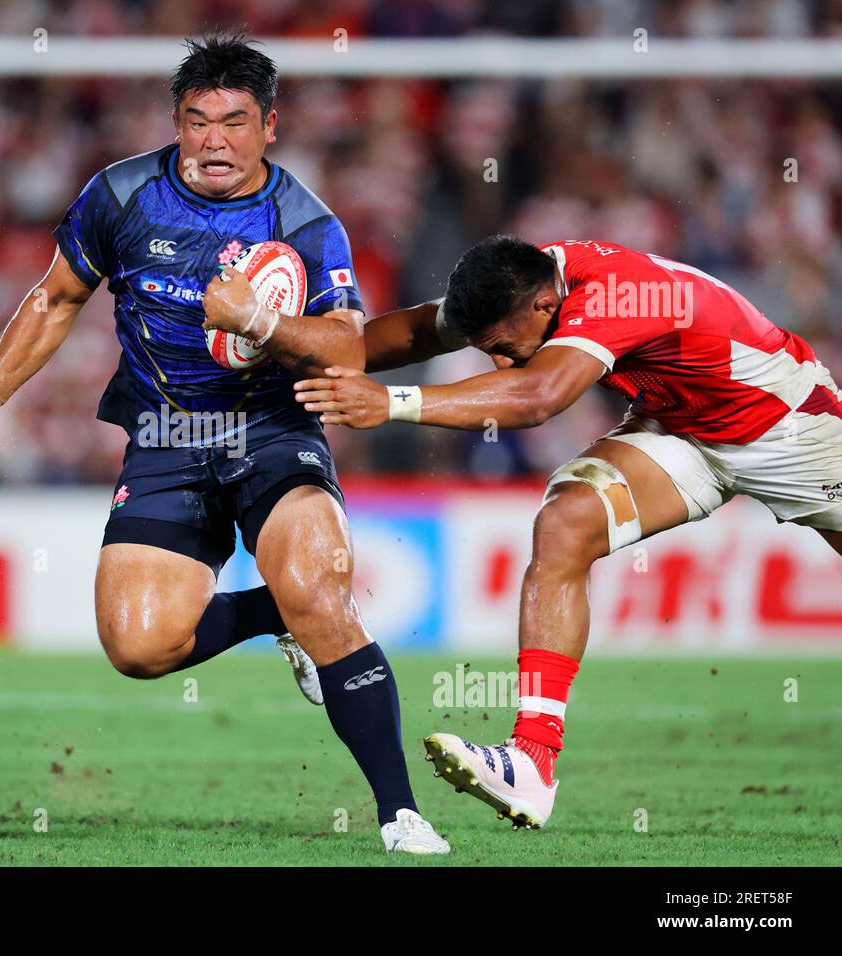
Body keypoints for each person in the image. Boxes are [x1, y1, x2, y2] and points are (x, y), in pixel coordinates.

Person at [0, 33, 449, 855]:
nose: (214, 140)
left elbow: (347, 343)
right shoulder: (122, 195)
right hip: (166, 438)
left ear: (269, 126)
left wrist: (262, 324)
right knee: (138, 646)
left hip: (274, 430)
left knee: (322, 584)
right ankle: (280, 615)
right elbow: (56, 298)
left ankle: (399, 812)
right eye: (198, 120)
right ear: (176, 122)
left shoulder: (305, 221)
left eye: (235, 122)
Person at [294, 235, 842, 828]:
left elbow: (539, 396)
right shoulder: (518, 284)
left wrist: (392, 402)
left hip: (788, 428)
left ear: (542, 307)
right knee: (565, 520)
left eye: (502, 349)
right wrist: (279, 344)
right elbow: (416, 334)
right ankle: (531, 762)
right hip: (682, 429)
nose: (501, 362)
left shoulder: (613, 294)